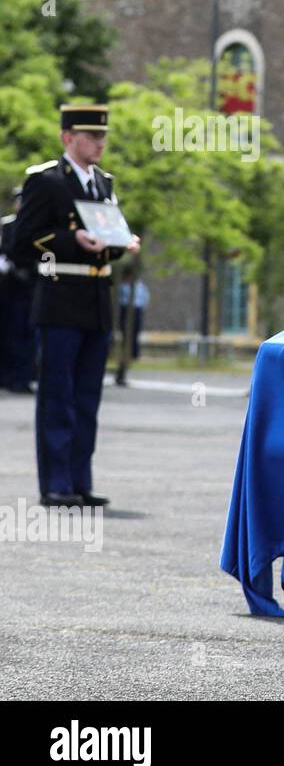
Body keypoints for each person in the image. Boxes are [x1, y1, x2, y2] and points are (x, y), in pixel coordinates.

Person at [13, 104, 141, 508]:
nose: (100, 143)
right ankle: (55, 483)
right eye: (91, 136)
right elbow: (22, 239)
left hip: (96, 299)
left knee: (87, 396)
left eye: (103, 136)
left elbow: (108, 235)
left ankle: (80, 480)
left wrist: (123, 244)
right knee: (58, 394)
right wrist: (73, 241)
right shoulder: (47, 180)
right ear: (68, 137)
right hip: (60, 295)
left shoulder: (104, 183)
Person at [0, 186, 37, 393]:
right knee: (12, 334)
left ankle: (24, 377)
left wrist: (46, 276)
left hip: (33, 286)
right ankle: (10, 377)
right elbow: (7, 251)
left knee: (29, 336)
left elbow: (46, 256)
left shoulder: (37, 225)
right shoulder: (9, 225)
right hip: (13, 286)